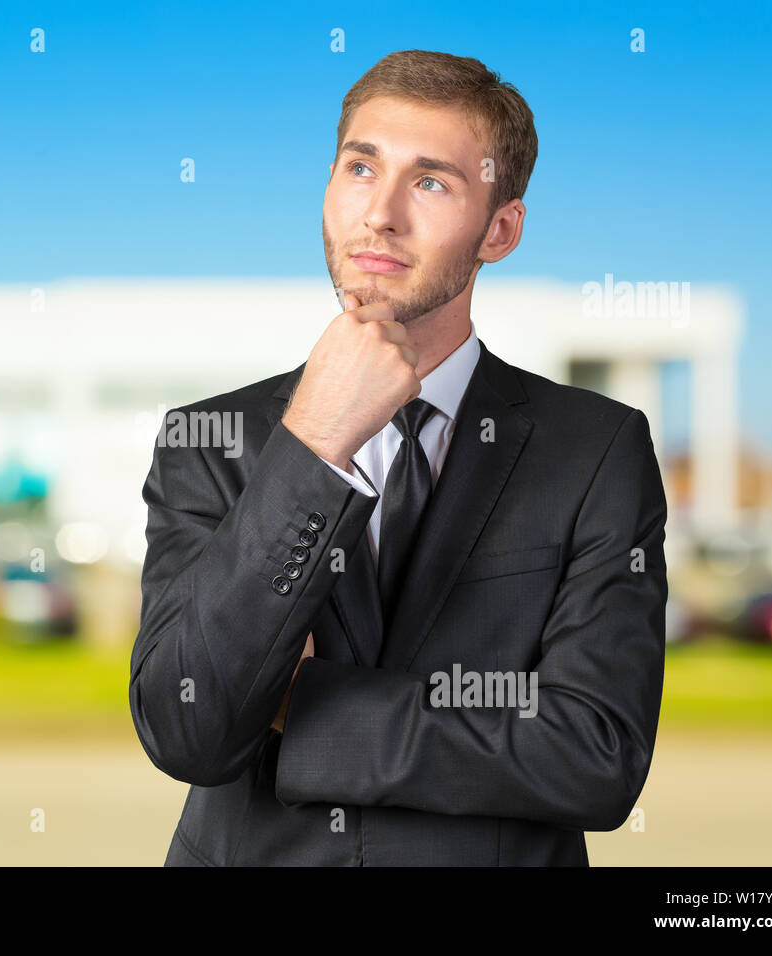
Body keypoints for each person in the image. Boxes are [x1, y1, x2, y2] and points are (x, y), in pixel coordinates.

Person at [129, 49, 667, 866]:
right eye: (359, 167)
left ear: (500, 230)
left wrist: (306, 703)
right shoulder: (210, 441)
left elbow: (595, 757)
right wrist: (312, 444)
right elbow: (185, 727)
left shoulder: (596, 448)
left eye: (430, 181)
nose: (379, 214)